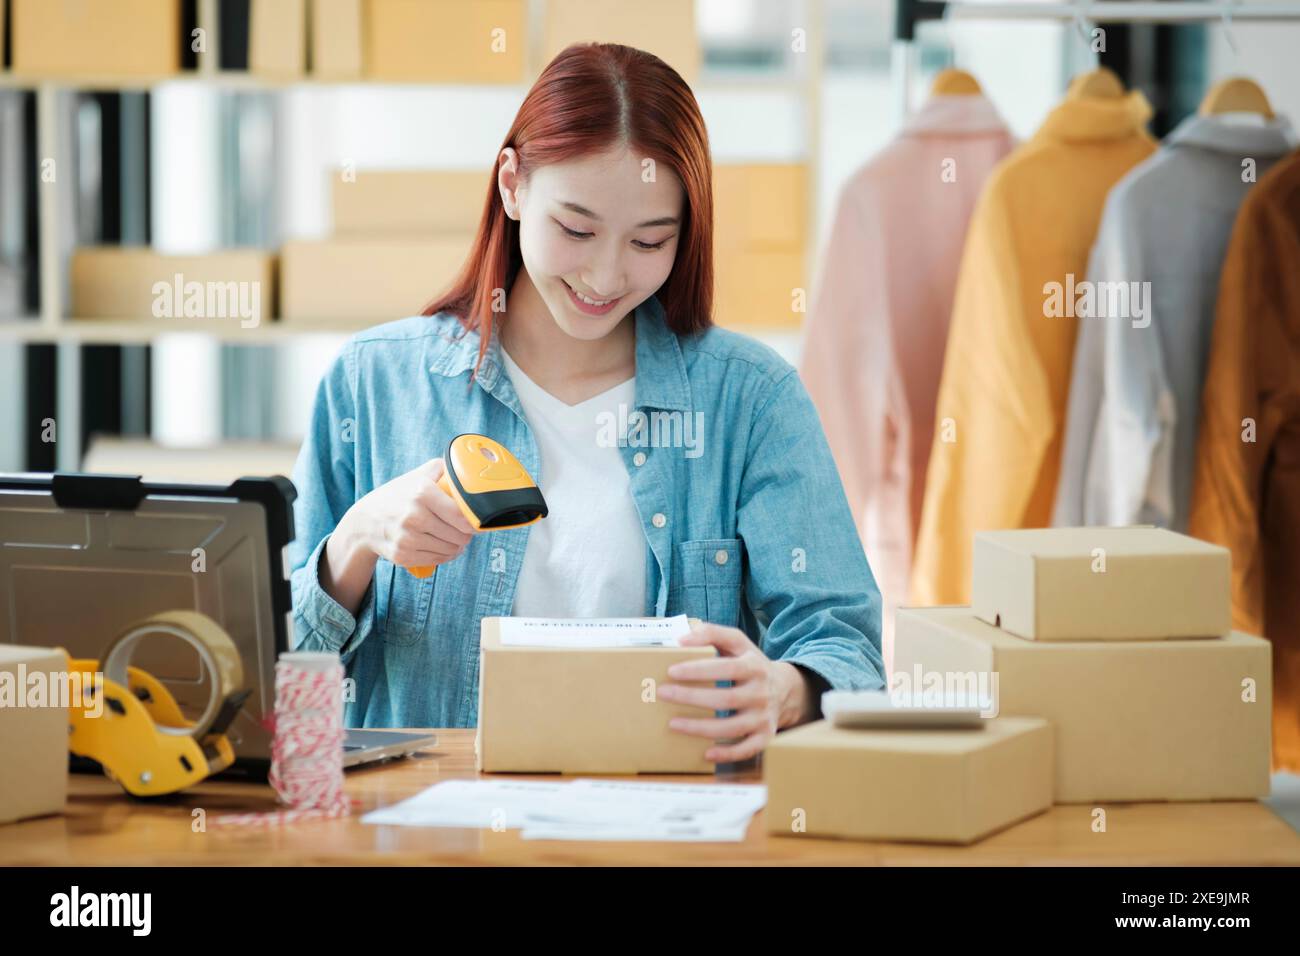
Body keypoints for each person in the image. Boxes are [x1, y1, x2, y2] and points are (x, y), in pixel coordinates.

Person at [289, 43, 884, 764]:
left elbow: (846, 647)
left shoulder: (751, 400)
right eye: (576, 230)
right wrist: (355, 541)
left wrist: (784, 689)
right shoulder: (373, 382)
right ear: (512, 186)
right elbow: (274, 681)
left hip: (668, 830)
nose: (606, 275)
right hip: (429, 830)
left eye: (649, 241)